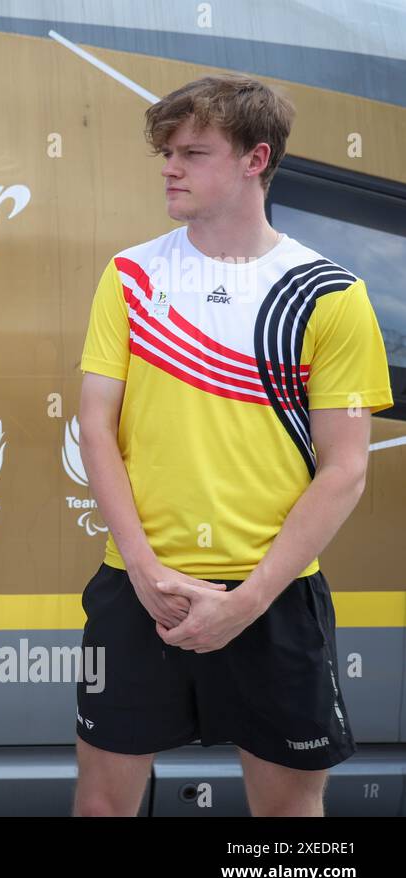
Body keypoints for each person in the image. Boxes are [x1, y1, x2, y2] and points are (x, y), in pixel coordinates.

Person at [74, 75, 393, 816]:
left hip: (275, 597)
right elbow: (96, 428)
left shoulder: (330, 293)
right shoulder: (130, 275)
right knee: (101, 808)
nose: (169, 168)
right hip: (138, 589)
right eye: (165, 152)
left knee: (285, 818)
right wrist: (147, 572)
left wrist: (249, 601)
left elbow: (344, 470)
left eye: (193, 152)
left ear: (256, 159)